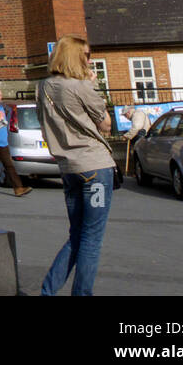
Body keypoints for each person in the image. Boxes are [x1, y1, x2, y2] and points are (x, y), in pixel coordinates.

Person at [37, 36, 115, 296]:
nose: (90, 60)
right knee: (91, 238)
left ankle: (48, 291)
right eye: (87, 55)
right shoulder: (81, 87)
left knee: (77, 235)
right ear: (75, 56)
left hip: (69, 168)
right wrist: (93, 87)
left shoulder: (43, 87)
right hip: (95, 168)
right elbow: (106, 125)